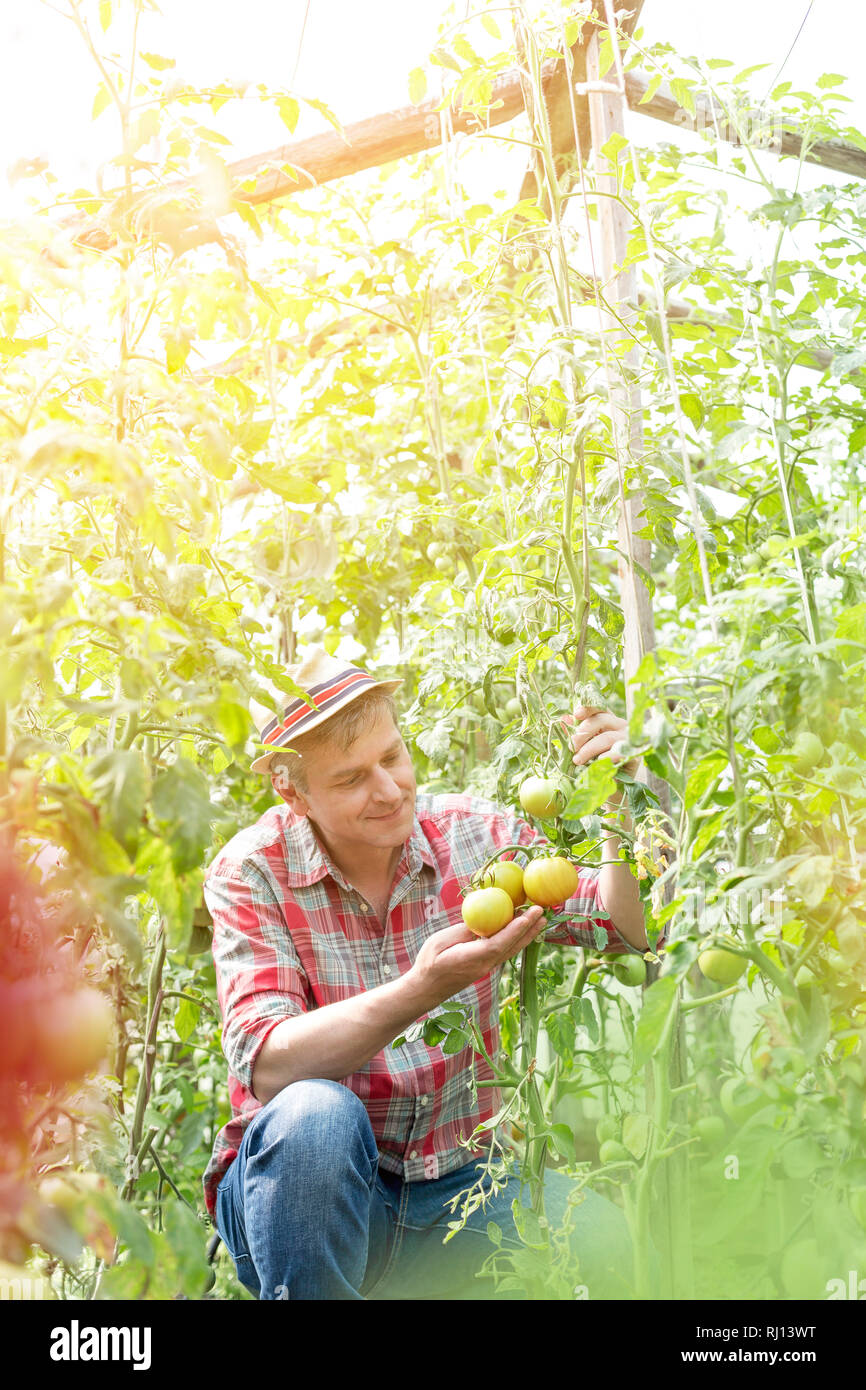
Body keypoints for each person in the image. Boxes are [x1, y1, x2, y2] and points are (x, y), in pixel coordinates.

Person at [203, 645, 657, 1301]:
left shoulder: (471, 838)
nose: (389, 790)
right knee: (314, 1117)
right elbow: (268, 1063)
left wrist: (623, 806)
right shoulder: (254, 871)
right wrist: (422, 990)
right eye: (351, 779)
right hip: (310, 1200)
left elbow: (629, 928)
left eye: (392, 757)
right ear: (292, 792)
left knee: (605, 1243)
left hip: (458, 1186)